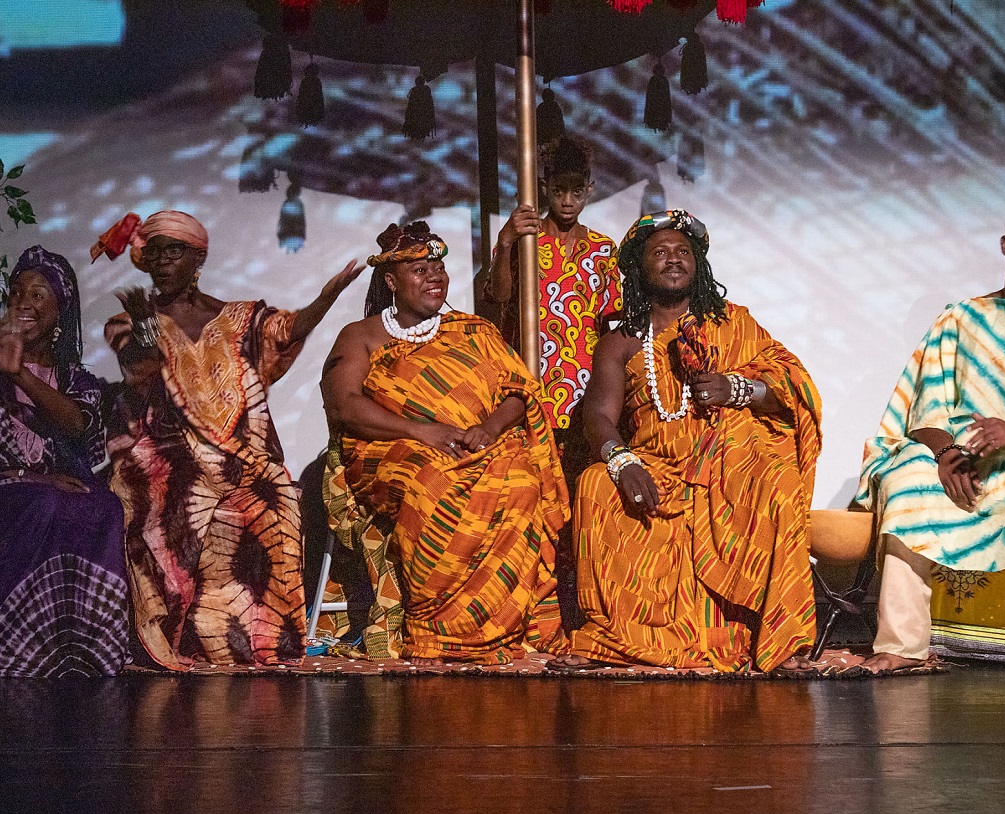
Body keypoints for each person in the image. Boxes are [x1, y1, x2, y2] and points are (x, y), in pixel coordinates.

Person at [552, 210, 823, 673]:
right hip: (653, 464)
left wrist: (738, 388)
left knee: (773, 479)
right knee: (597, 484)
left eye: (683, 251)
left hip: (724, 461)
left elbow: (791, 387)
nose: (673, 260)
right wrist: (621, 462)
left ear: (698, 263)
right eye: (659, 252)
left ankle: (763, 636)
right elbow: (597, 416)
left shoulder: (733, 324)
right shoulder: (620, 341)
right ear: (639, 267)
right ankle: (621, 635)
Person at [92, 209, 363, 671]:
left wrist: (326, 298)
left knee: (277, 497)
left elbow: (286, 330)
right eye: (154, 252)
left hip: (243, 454)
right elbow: (139, 369)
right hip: (164, 451)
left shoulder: (240, 318)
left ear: (197, 258)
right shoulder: (126, 322)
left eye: (173, 251)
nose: (162, 262)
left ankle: (262, 643)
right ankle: (184, 642)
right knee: (178, 503)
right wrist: (145, 327)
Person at [321, 221, 568, 665]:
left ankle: (496, 628)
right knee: (431, 482)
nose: (434, 275)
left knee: (522, 481)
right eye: (419, 269)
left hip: (477, 447)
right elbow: (344, 406)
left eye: (438, 266)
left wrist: (488, 429)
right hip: (391, 451)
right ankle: (437, 628)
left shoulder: (474, 330)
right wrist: (423, 431)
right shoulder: (360, 335)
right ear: (391, 281)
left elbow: (520, 392)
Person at [857, 204, 1005, 687]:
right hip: (961, 452)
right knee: (905, 482)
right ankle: (903, 645)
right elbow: (926, 408)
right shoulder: (961, 318)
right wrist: (944, 455)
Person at [0, 246, 128, 677]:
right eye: (17, 292)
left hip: (44, 484)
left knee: (106, 508)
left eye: (39, 295)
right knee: (41, 504)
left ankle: (82, 650)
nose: (24, 301)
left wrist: (20, 373)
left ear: (61, 312)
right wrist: (29, 475)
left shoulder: (76, 380)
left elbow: (80, 426)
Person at [479, 136, 621, 625]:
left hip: (587, 394)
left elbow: (612, 322)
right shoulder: (527, 239)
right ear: (544, 188)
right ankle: (535, 611)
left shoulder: (603, 250)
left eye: (576, 191)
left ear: (590, 190)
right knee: (538, 500)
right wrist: (504, 243)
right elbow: (497, 297)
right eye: (559, 190)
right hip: (536, 389)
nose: (567, 201)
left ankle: (581, 605)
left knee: (581, 499)